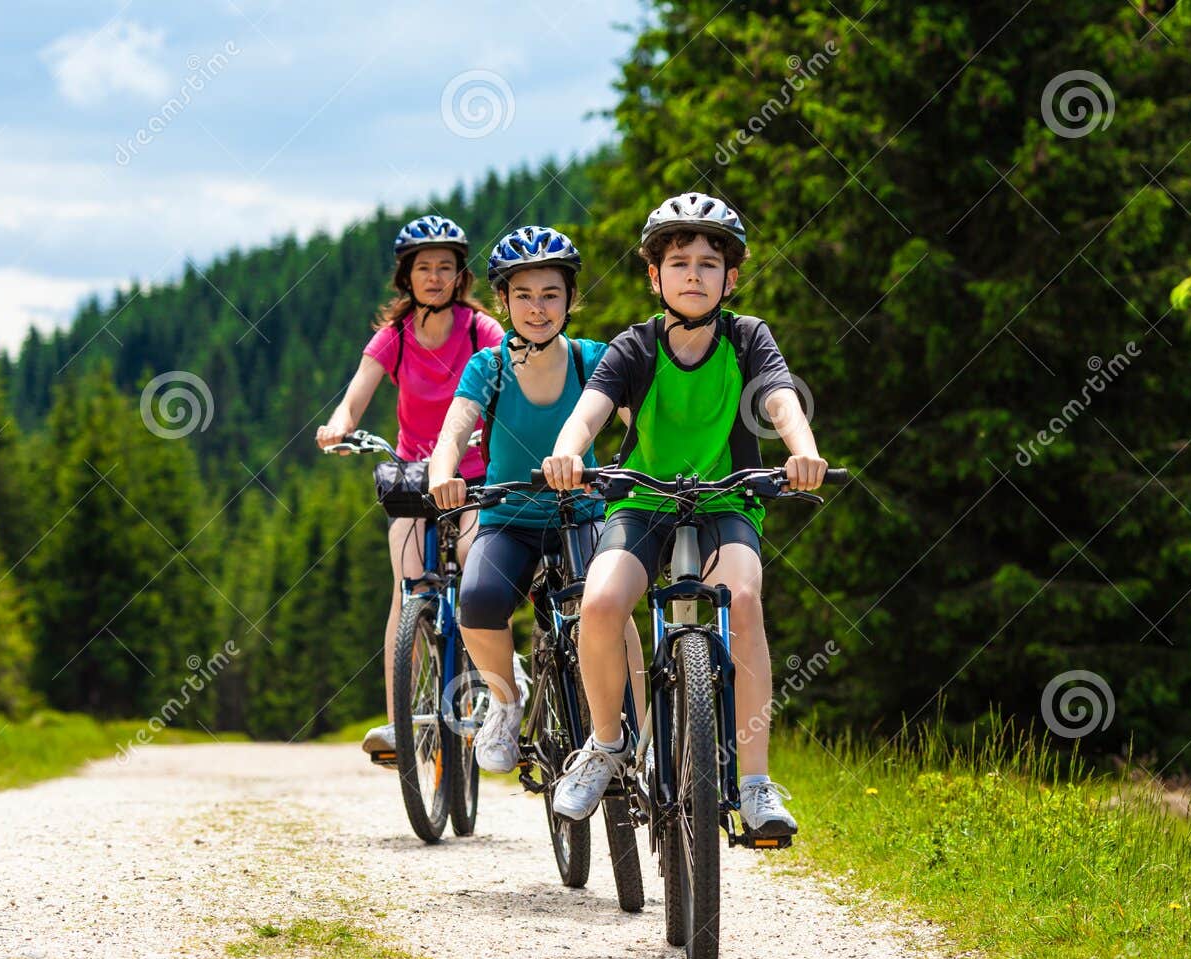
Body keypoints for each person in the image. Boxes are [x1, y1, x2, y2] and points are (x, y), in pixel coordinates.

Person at [540, 192, 828, 837]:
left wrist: (803, 453)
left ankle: (754, 783)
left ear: (731, 277)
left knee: (744, 601)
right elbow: (590, 409)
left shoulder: (748, 337)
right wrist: (566, 453)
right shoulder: (634, 346)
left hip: (728, 497)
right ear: (654, 276)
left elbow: (780, 400)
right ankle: (608, 744)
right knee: (602, 603)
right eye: (678, 263)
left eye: (708, 262)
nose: (693, 274)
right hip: (642, 500)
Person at [428, 226, 642, 772]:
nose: (537, 308)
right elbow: (453, 433)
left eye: (551, 294)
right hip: (510, 518)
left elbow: (638, 426)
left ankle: (640, 727)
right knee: (476, 601)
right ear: (503, 301)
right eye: (523, 295)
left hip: (584, 514)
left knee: (614, 608)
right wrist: (443, 474)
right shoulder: (490, 366)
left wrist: (640, 470)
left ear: (571, 299)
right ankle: (506, 700)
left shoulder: (591, 359)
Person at [316, 214, 503, 757]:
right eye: (425, 268)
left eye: (446, 267)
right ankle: (401, 723)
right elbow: (356, 394)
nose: (436, 277)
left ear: (460, 275)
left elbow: (513, 373)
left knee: (474, 557)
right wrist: (340, 426)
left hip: (474, 474)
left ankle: (493, 687)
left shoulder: (479, 330)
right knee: (406, 587)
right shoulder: (393, 337)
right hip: (413, 475)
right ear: (407, 277)